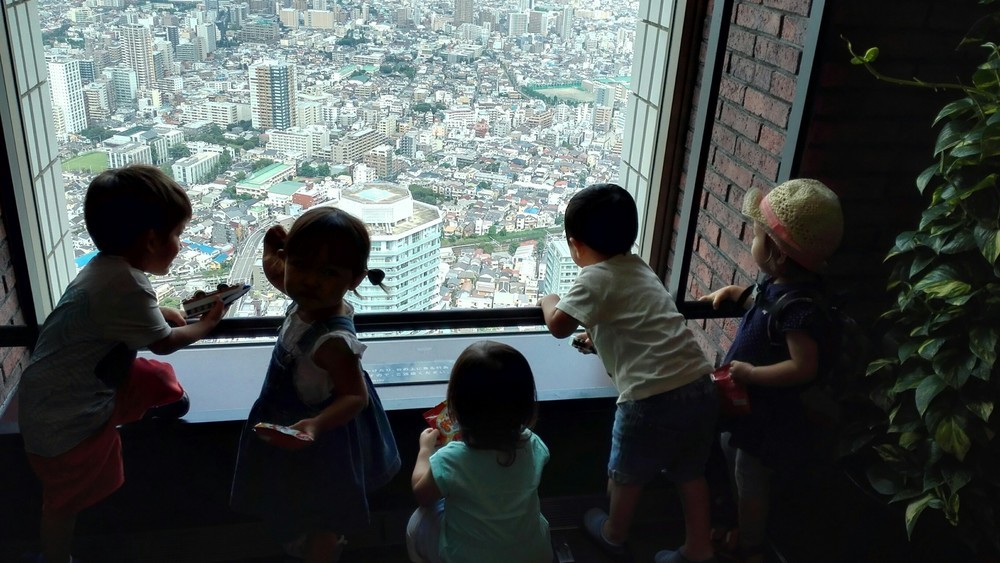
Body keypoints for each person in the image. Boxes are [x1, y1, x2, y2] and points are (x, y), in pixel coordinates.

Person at [18, 164, 226, 563]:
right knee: (61, 504)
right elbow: (164, 344)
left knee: (154, 378)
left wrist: (159, 310)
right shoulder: (126, 284)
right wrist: (207, 325)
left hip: (54, 394)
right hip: (64, 418)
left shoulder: (104, 269)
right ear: (151, 240)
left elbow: (117, 315)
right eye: (178, 235)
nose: (181, 244)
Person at [539, 183, 719, 563]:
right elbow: (636, 322)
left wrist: (548, 299)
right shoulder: (639, 268)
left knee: (625, 474)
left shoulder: (593, 278)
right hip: (699, 384)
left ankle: (614, 533)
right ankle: (699, 547)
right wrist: (598, 340)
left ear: (575, 244)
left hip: (650, 398)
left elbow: (558, 325)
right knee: (691, 472)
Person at [230, 206, 401, 563]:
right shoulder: (309, 301)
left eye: (327, 272)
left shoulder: (334, 341)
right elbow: (284, 277)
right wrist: (271, 251)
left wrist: (316, 424)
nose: (309, 280)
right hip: (292, 426)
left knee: (324, 513)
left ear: (353, 279)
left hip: (322, 440)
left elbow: (356, 396)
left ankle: (322, 553)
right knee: (293, 500)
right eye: (301, 265)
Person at [700, 178, 843, 563]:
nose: (752, 241)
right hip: (751, 410)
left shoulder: (801, 307)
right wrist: (736, 294)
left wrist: (750, 374)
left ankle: (751, 545)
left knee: (751, 478)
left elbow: (803, 366)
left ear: (777, 253)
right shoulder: (780, 286)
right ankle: (734, 526)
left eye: (758, 235)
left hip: (769, 415)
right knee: (733, 457)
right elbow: (764, 307)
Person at [406, 340, 552, 563]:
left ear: (455, 405)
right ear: (525, 403)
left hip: (466, 557)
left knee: (415, 523)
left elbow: (422, 494)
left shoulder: (451, 459)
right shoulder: (534, 445)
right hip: (534, 553)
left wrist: (425, 451)